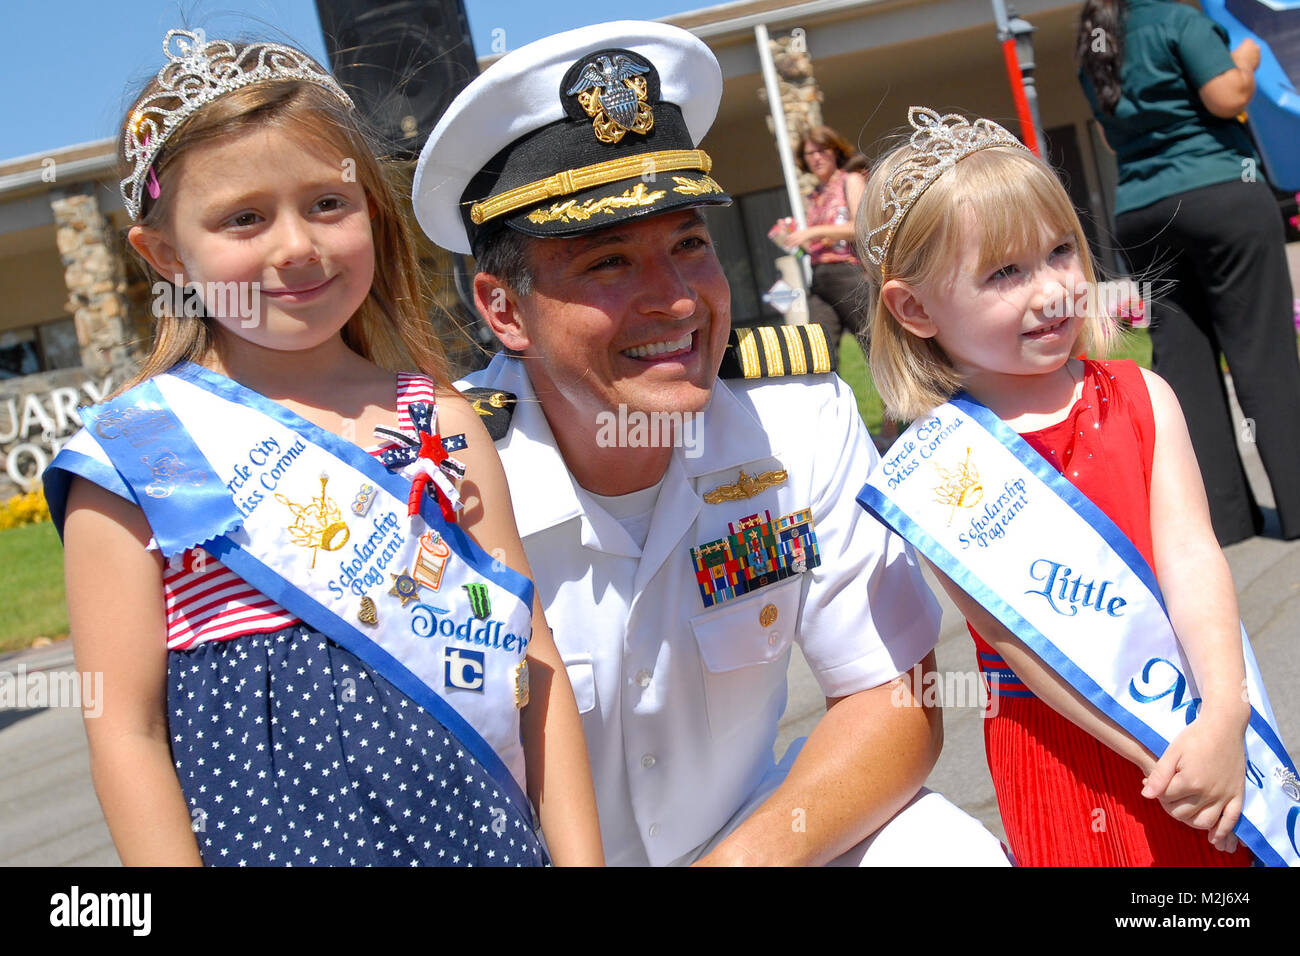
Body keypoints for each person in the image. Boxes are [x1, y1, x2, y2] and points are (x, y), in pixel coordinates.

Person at [412, 20, 1010, 866]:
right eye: (608, 262)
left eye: (689, 244)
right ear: (503, 310)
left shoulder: (796, 417)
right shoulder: (438, 483)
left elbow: (893, 696)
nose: (676, 301)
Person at [42, 29, 602, 867]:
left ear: (371, 211)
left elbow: (532, 662)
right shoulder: (136, 453)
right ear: (165, 255)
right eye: (243, 219)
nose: (296, 246)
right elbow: (126, 729)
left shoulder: (441, 422)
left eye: (326, 203)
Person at [856, 106, 1263, 866]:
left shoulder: (1143, 395)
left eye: (1060, 252)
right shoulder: (940, 466)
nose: (1051, 291)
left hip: (1201, 709)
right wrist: (1166, 760)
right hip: (1071, 752)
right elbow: (1019, 642)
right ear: (913, 308)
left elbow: (1193, 557)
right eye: (1005, 272)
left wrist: (1223, 717)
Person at [1077, 0, 1300, 545]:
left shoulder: (1096, 42)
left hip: (1142, 213)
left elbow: (1109, 136)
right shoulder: (1180, 21)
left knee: (1184, 369)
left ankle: (1222, 521)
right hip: (1221, 193)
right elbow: (1225, 97)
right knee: (1261, 352)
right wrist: (1244, 60)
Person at [778, 126, 870, 369]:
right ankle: (832, 406)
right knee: (819, 353)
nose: (817, 157)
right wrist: (793, 235)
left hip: (849, 274)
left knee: (874, 346)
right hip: (819, 277)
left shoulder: (850, 180)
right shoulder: (814, 196)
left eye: (822, 150)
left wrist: (814, 231)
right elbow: (816, 245)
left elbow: (860, 228)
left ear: (835, 151)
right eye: (810, 153)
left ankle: (900, 407)